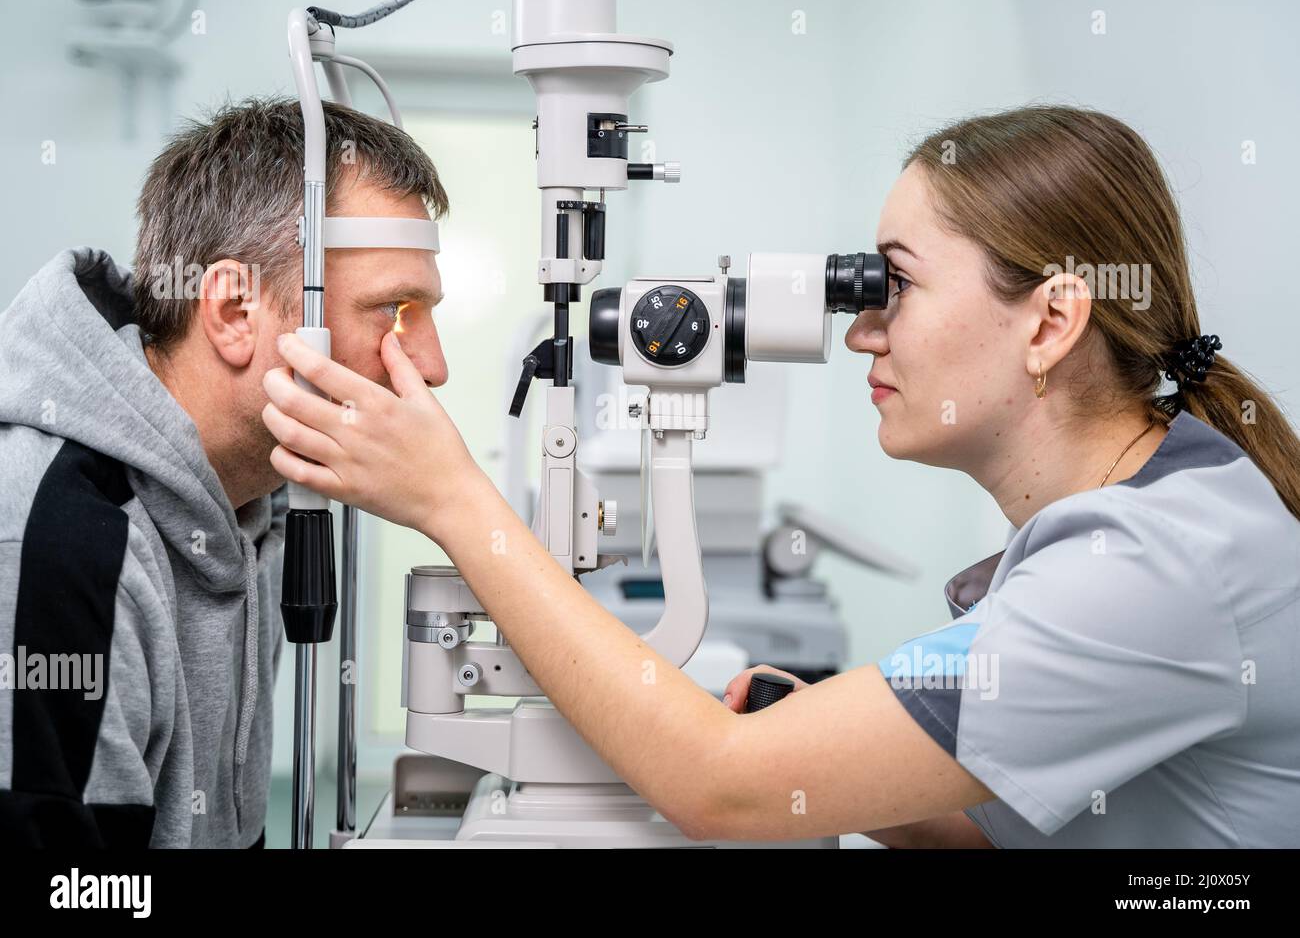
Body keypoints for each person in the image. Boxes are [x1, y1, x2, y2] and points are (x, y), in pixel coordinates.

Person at [263, 105, 1300, 847]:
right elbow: (991, 827)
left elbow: (722, 789)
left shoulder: (1152, 567)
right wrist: (833, 760)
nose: (859, 329)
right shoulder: (1150, 520)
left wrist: (449, 496)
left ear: (1052, 320)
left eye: (893, 282)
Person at [0, 98, 450, 847]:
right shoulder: (57, 542)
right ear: (235, 311)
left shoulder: (255, 503)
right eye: (395, 311)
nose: (431, 367)